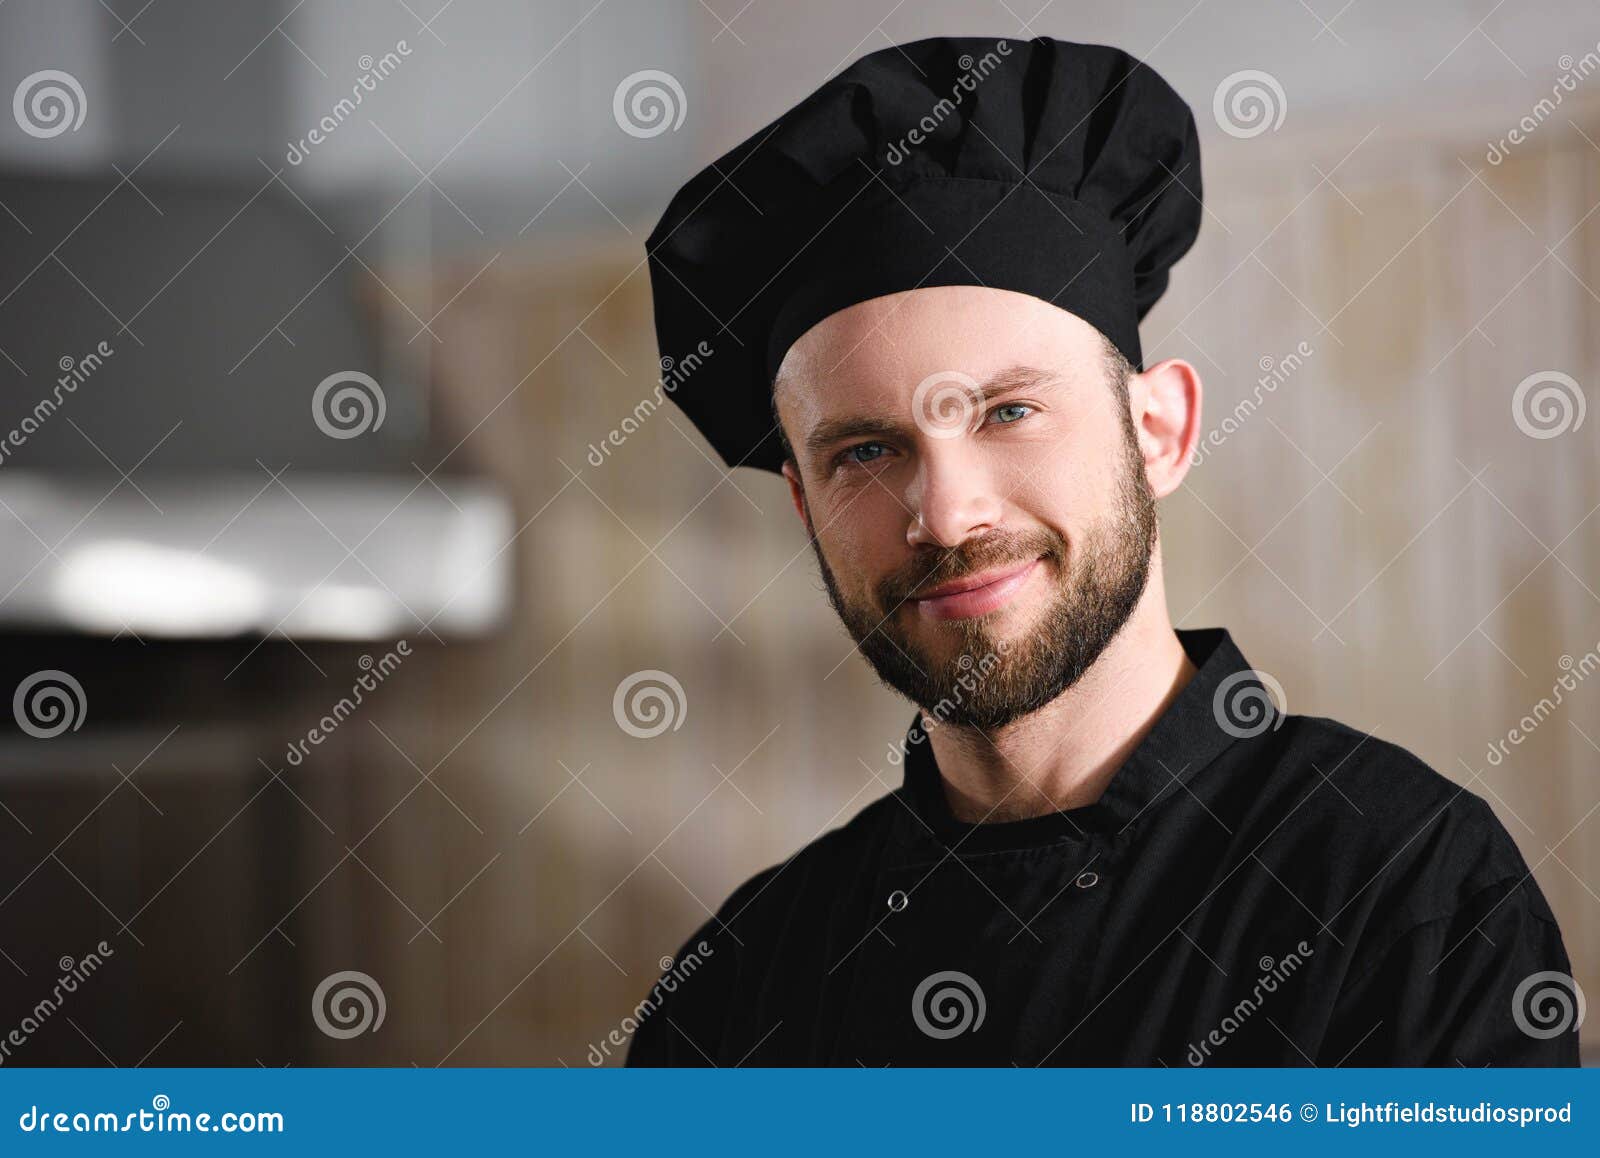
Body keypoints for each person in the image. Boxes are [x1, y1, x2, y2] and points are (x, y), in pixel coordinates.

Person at [625, 36, 1580, 1066]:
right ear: (806, 506)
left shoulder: (1403, 889)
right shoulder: (740, 983)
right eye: (865, 449)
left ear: (1158, 430)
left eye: (1009, 412)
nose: (945, 515)